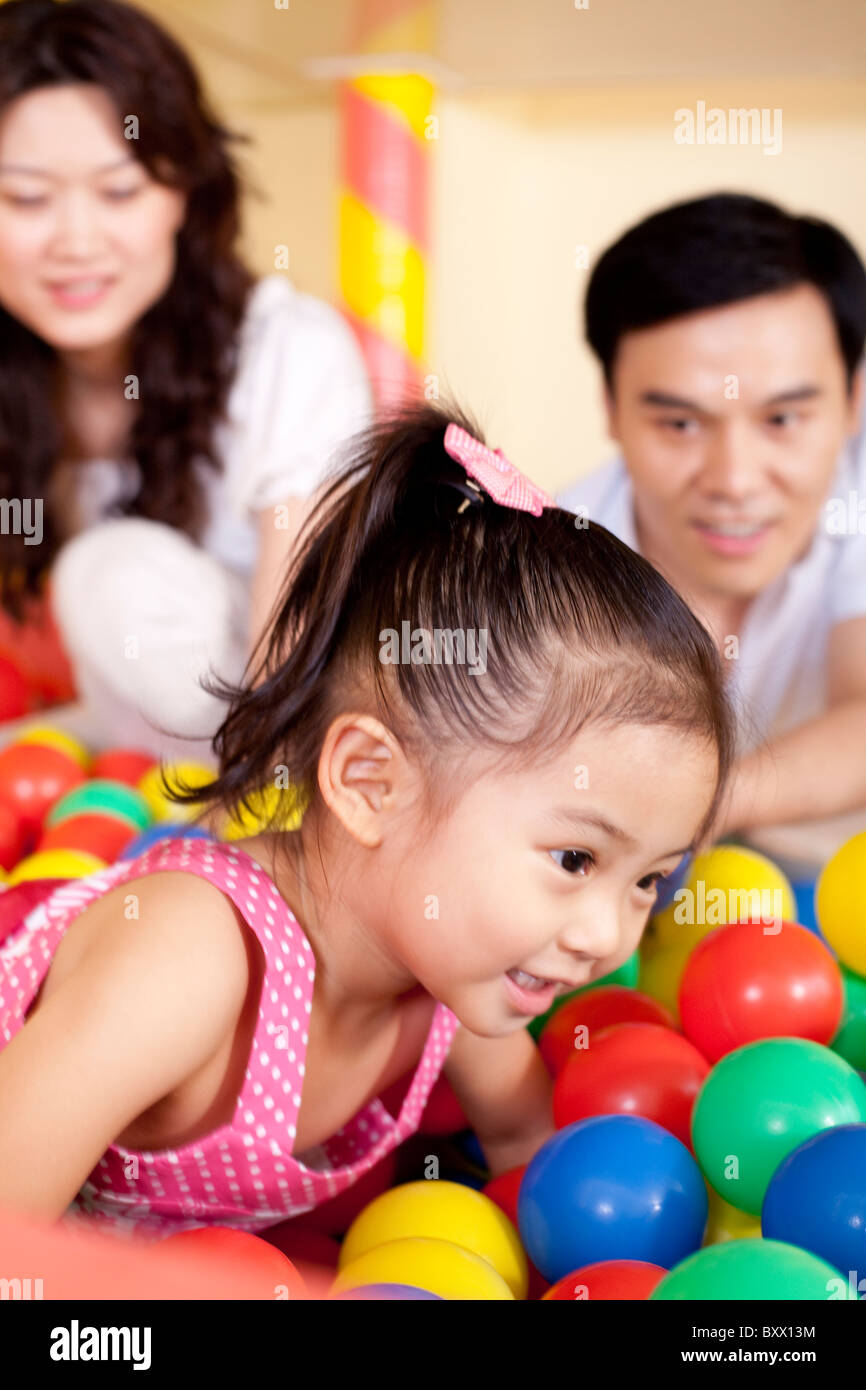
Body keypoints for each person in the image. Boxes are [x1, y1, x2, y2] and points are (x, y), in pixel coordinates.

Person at [0, 402, 734, 1234]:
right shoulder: (191, 963)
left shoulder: (459, 973)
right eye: (574, 859)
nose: (606, 937)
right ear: (369, 782)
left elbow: (532, 1155)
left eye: (649, 879)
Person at [0, 0, 371, 762]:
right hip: (131, 753)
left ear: (186, 196)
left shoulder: (286, 349)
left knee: (111, 572)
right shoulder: (21, 379)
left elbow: (295, 660)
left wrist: (247, 825)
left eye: (121, 191)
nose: (76, 242)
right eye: (26, 198)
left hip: (284, 743)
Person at [560, 193, 866, 872]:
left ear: (854, 400)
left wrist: (703, 801)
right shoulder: (553, 557)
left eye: (782, 420)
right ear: (611, 408)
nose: (734, 479)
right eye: (680, 424)